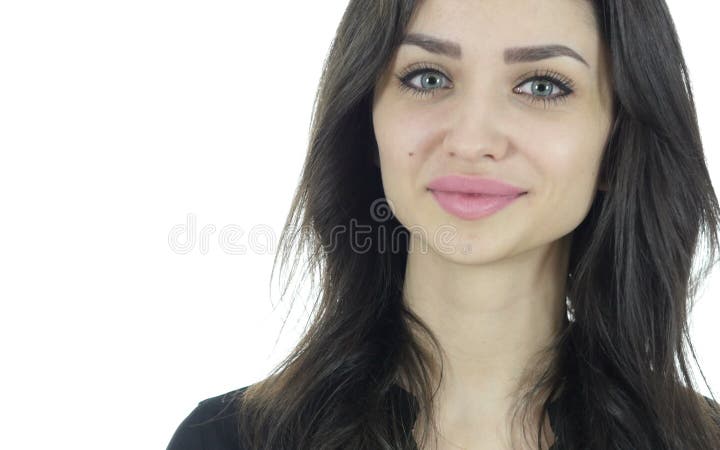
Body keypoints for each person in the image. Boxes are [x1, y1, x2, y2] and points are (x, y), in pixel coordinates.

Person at [167, 0, 720, 448]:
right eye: (428, 77)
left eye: (543, 86)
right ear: (368, 119)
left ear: (618, 141)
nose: (472, 141)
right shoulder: (229, 440)